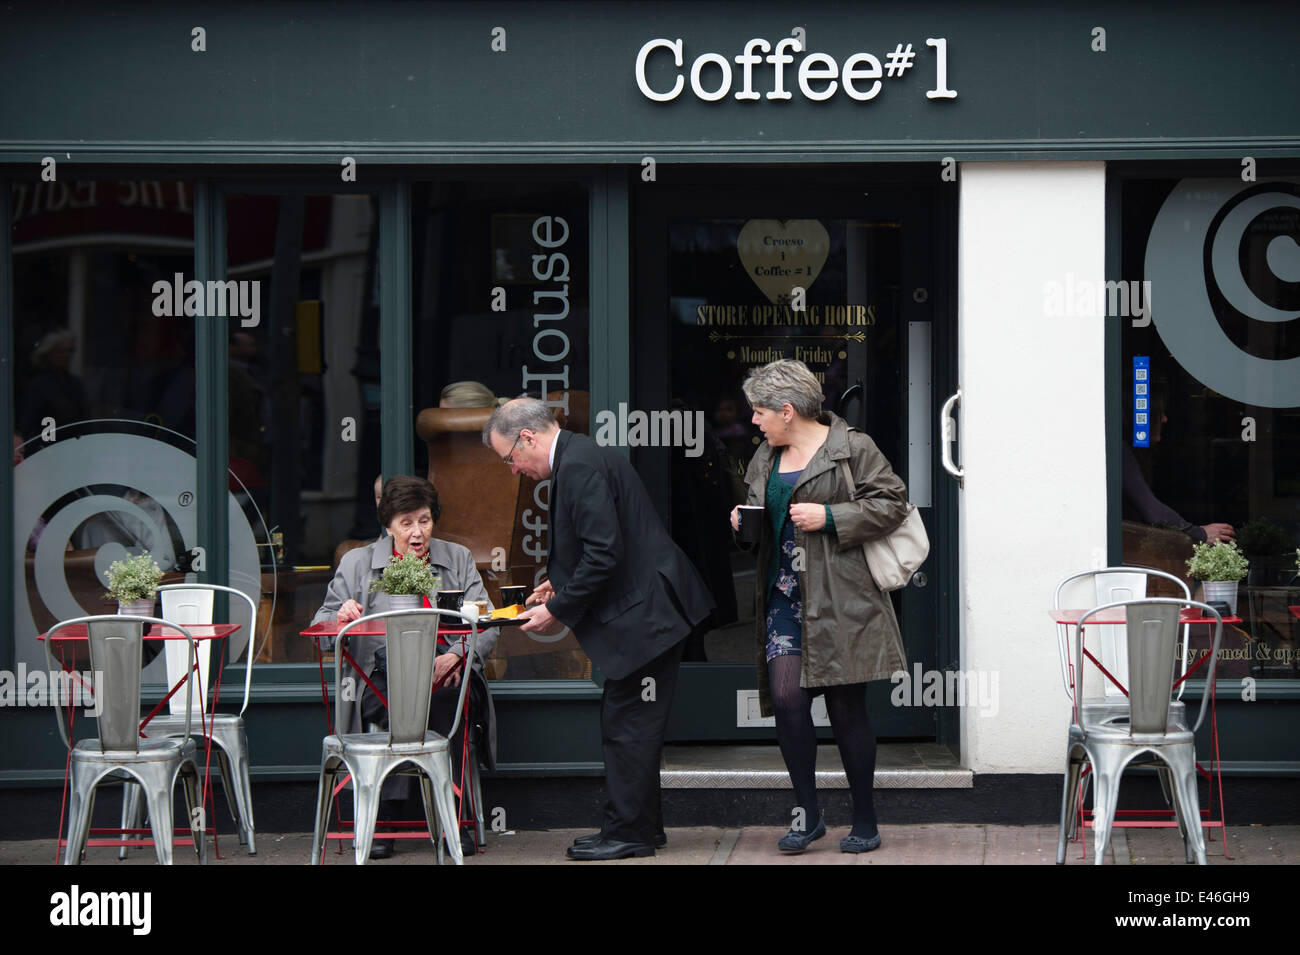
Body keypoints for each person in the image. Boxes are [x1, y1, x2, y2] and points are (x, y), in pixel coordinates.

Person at [482, 397, 714, 860]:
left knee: (628, 726)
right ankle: (637, 827)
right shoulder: (581, 455)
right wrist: (560, 583)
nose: (512, 470)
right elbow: (607, 542)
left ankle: (629, 833)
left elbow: (604, 552)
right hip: (648, 611)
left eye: (509, 458)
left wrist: (560, 608)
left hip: (646, 616)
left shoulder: (578, 466)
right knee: (629, 723)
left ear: (528, 438)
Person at [729, 359, 909, 854]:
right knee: (787, 701)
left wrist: (831, 515)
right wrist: (743, 523)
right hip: (785, 597)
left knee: (846, 707)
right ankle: (808, 814)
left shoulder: (853, 448)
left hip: (842, 596)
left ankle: (865, 818)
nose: (754, 421)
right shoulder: (765, 455)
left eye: (760, 412)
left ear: (787, 410)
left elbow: (892, 503)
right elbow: (759, 513)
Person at [311, 474, 496, 859]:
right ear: (388, 525)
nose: (417, 532)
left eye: (424, 521)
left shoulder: (457, 559)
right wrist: (342, 614)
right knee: (398, 699)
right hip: (379, 680)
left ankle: (452, 821)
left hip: (449, 675)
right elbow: (324, 627)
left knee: (448, 700)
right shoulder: (358, 563)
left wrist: (458, 655)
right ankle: (386, 822)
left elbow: (486, 621)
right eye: (406, 523)